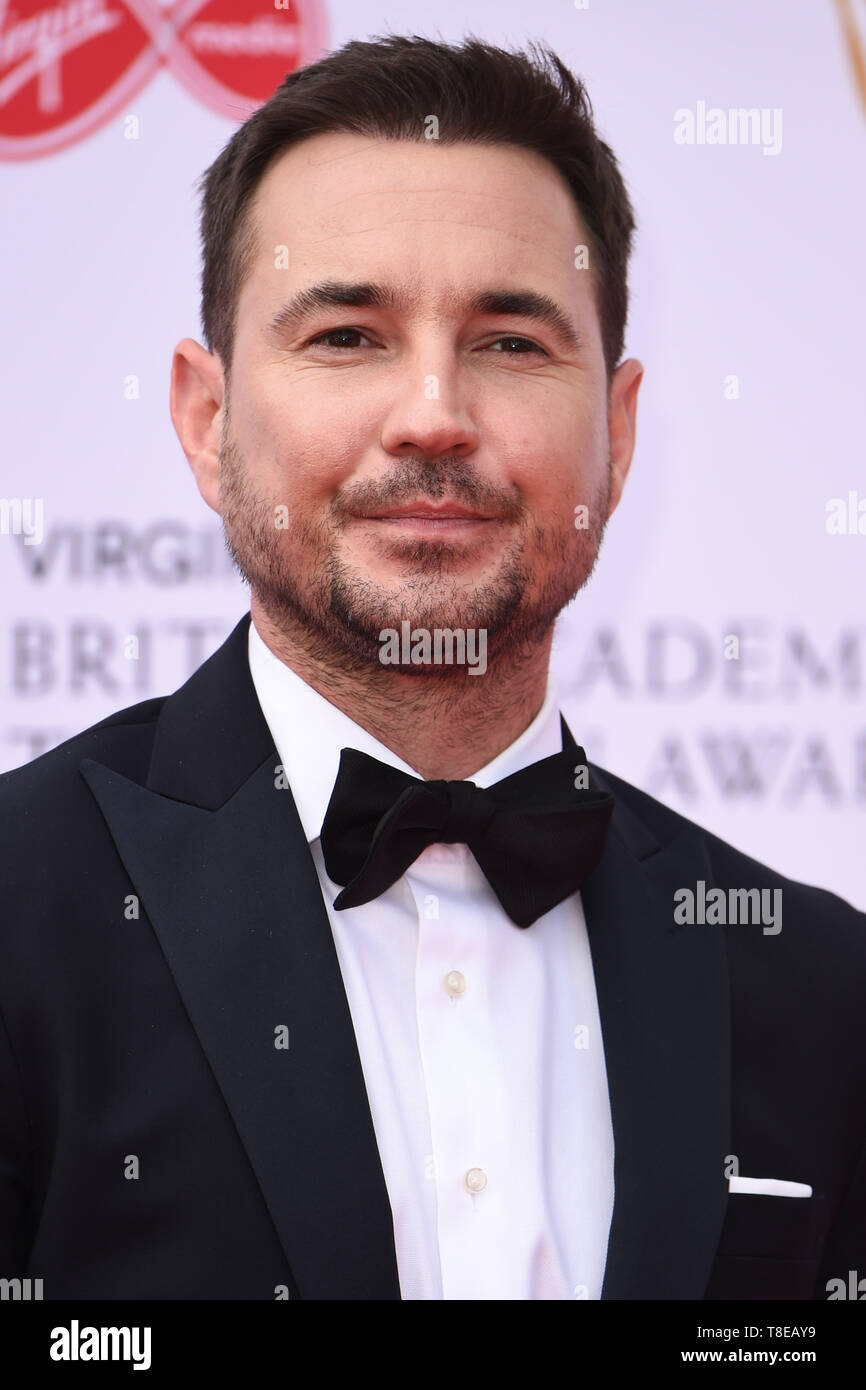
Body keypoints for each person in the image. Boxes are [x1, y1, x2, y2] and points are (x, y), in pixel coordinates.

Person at [1, 34, 863, 1302]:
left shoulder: (815, 984)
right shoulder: (20, 913)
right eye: (346, 334)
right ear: (208, 417)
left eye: (511, 343)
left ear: (616, 432)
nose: (431, 413)